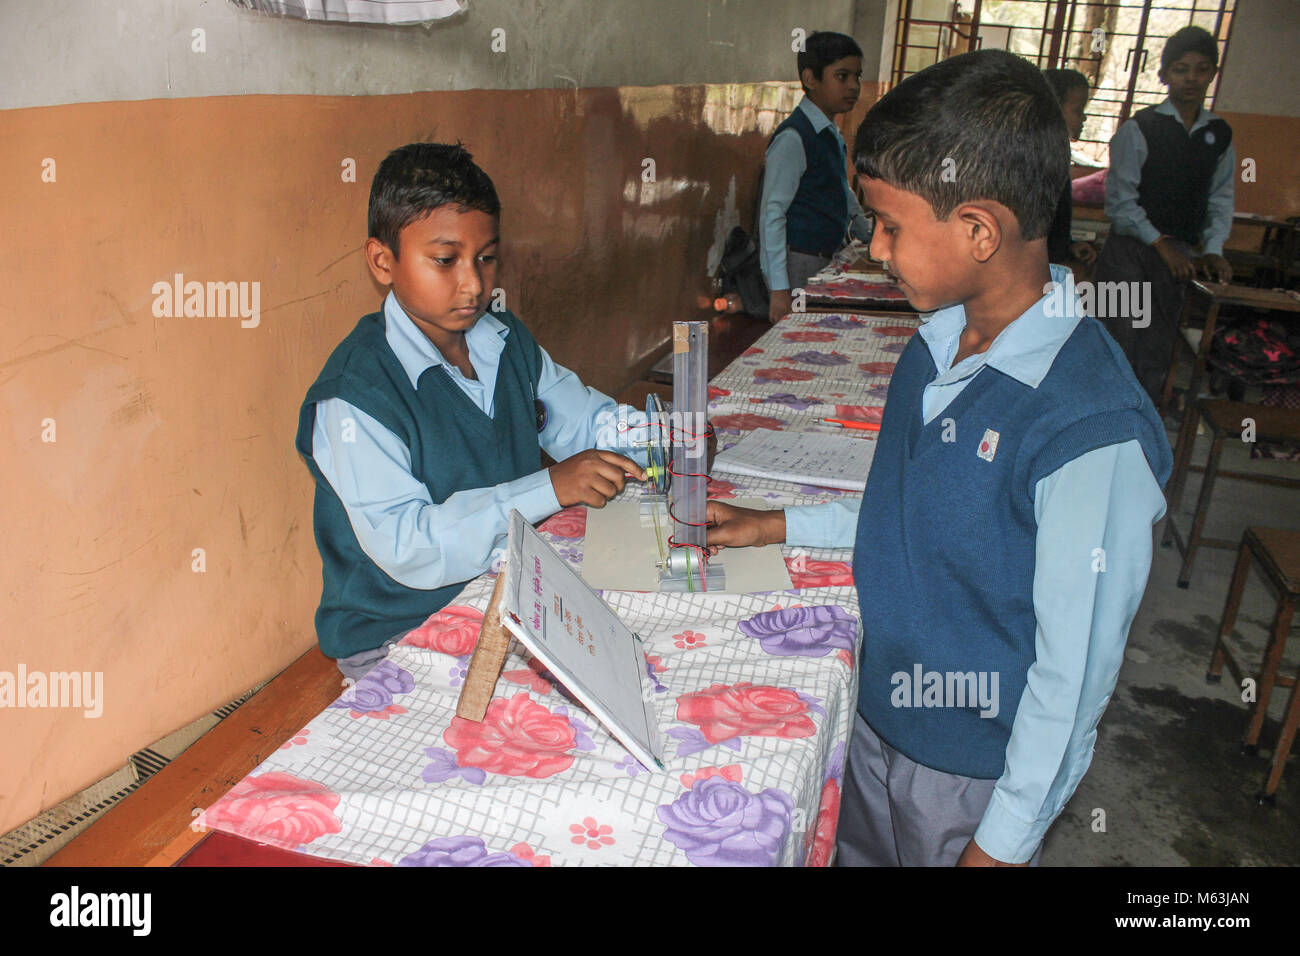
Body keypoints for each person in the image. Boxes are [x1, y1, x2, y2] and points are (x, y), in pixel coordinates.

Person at [707, 50, 1173, 866]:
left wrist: (1002, 843)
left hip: (970, 777)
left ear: (979, 230)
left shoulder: (1090, 432)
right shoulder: (935, 348)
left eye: (890, 226)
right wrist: (780, 522)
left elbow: (1074, 678)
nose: (877, 250)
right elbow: (918, 513)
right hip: (875, 716)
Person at [295, 142, 646, 679]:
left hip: (511, 594)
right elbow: (410, 546)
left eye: (486, 257)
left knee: (642, 658)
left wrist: (668, 437)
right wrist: (549, 487)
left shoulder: (503, 341)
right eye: (445, 260)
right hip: (402, 629)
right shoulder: (354, 398)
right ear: (382, 260)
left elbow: (586, 422)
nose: (474, 284)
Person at [1094, 25, 1235, 405]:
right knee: (1114, 341)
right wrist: (1160, 243)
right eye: (1181, 69)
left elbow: (1220, 197)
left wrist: (1214, 247)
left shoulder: (1219, 134)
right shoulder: (1140, 129)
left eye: (1202, 69)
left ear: (1212, 74)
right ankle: (1098, 430)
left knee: (1156, 347)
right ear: (1164, 75)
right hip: (1127, 254)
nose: (1191, 78)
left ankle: (1140, 438)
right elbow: (1120, 203)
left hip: (1178, 259)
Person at [759, 30, 874, 323]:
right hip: (798, 261)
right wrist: (779, 289)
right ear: (811, 80)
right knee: (794, 343)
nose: (854, 86)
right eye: (842, 76)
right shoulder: (794, 137)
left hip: (824, 257)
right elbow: (772, 215)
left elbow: (842, 190)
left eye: (858, 76)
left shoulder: (829, 132)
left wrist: (869, 235)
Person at [1042, 67, 1098, 268]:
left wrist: (1070, 244)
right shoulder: (1035, 159)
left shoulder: (1058, 154)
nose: (1083, 118)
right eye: (1078, 110)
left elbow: (1055, 219)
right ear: (1053, 109)